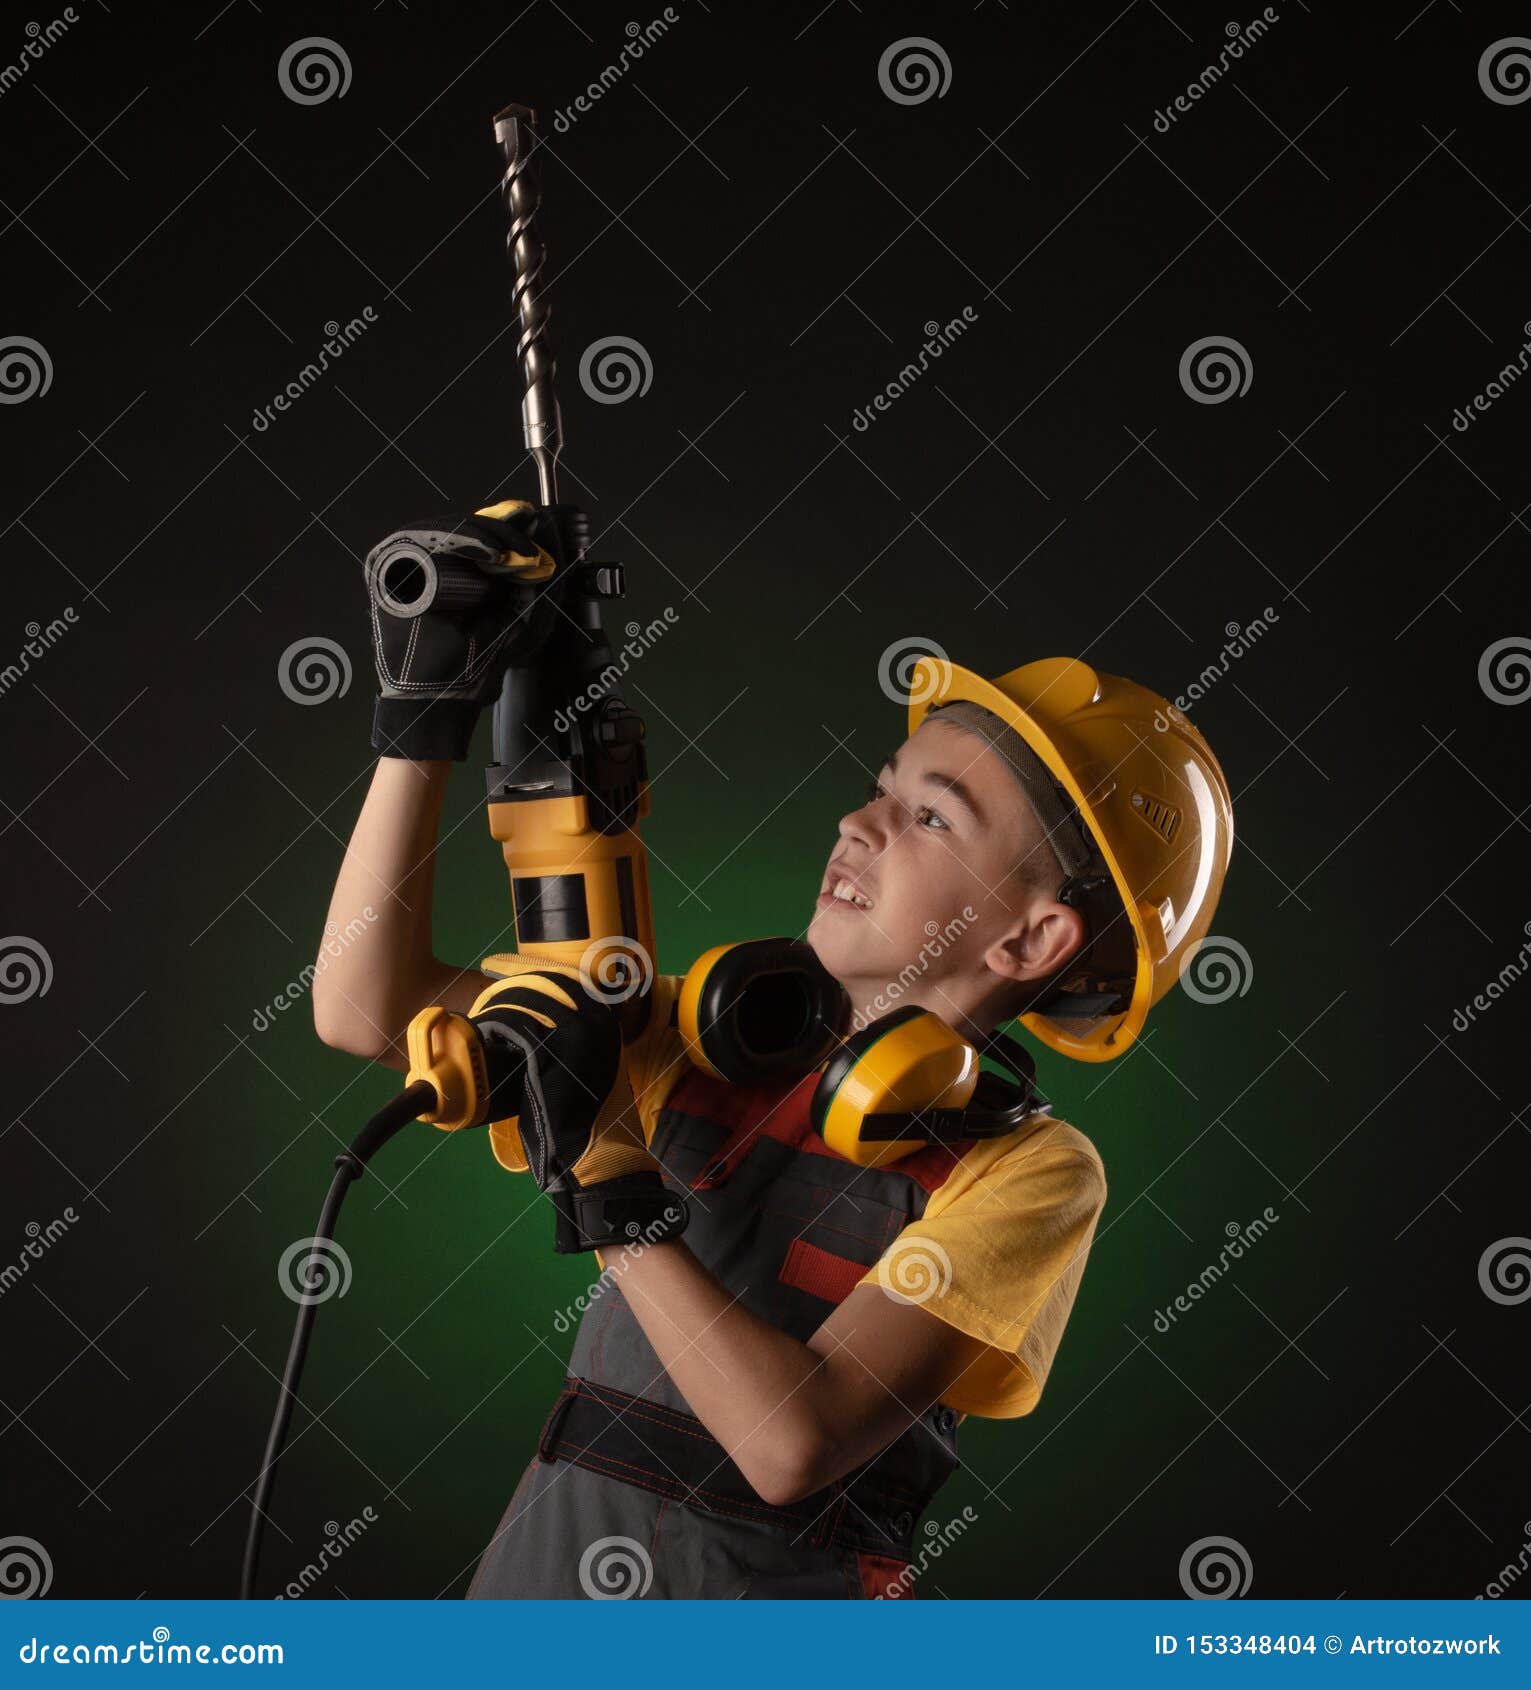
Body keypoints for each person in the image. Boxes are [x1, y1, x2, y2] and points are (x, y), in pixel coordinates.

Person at [314, 506, 1234, 1599]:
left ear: (1031, 938)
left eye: (930, 818)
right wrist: (423, 725)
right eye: (881, 788)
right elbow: (363, 1009)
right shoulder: (693, 1036)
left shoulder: (1028, 1173)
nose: (858, 823)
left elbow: (790, 1445)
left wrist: (611, 1184)